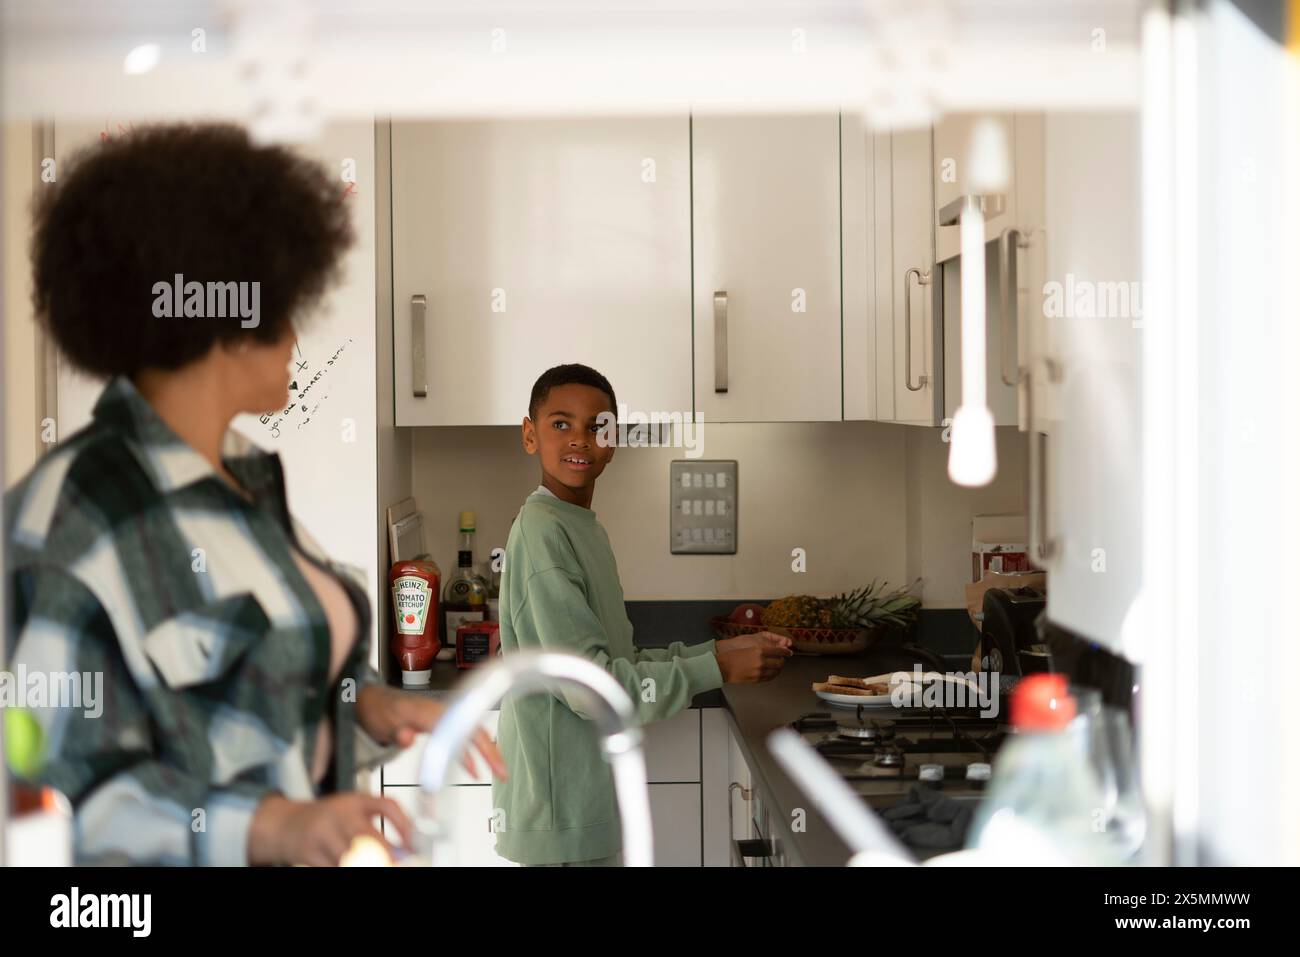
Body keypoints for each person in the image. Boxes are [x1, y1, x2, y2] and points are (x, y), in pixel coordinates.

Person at [3, 123, 505, 866]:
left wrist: (369, 703)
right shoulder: (72, 518)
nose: (297, 336)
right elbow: (52, 796)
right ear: (224, 321)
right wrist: (274, 826)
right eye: (283, 305)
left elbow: (267, 691)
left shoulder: (247, 481)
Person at [491, 364, 792, 866]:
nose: (580, 440)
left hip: (580, 808)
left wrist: (719, 651)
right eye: (561, 424)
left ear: (614, 440)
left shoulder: (577, 523)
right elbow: (591, 689)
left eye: (597, 426)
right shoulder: (542, 532)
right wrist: (715, 668)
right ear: (529, 434)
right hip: (560, 817)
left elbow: (615, 659)